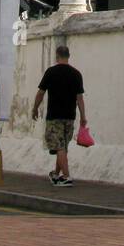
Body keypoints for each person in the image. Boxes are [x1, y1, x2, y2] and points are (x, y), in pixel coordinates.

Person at [31, 45, 87, 186]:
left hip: (55, 116)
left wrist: (35, 108)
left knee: (58, 146)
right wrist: (83, 116)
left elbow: (41, 93)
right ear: (69, 56)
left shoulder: (51, 72)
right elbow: (79, 98)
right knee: (62, 147)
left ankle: (67, 177)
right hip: (70, 116)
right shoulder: (76, 74)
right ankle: (56, 175)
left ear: (57, 56)